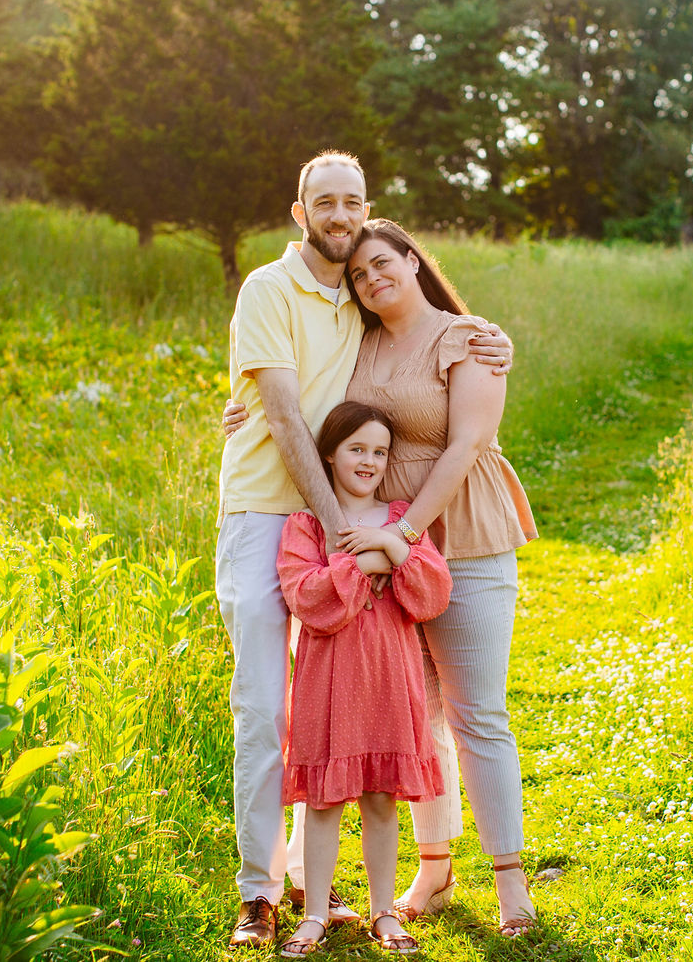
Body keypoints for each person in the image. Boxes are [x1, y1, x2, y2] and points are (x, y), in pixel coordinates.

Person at [216, 150, 513, 948]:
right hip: (268, 512)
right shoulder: (268, 288)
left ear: (368, 208)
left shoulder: (355, 298)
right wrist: (344, 529)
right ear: (300, 212)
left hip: (341, 520)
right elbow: (284, 414)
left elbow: (420, 343)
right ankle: (259, 890)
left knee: (335, 699)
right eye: (326, 202)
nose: (341, 215)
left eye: (353, 201)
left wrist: (491, 342)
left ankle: (314, 882)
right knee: (265, 704)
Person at [275, 401, 452, 957]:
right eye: (357, 448)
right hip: (328, 681)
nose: (369, 461)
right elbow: (307, 596)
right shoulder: (307, 525)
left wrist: (395, 546)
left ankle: (383, 912)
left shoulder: (401, 519)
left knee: (380, 799)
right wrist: (373, 563)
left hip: (387, 679)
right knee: (323, 801)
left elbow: (433, 590)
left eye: (380, 451)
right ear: (329, 454)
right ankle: (314, 914)